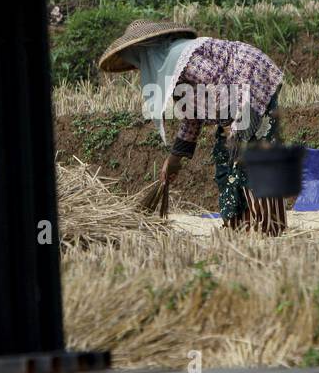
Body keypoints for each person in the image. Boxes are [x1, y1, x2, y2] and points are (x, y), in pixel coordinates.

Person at [98, 19, 288, 235]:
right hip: (233, 95)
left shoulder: (183, 57)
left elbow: (221, 83)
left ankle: (268, 228)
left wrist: (235, 128)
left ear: (146, 52)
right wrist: (174, 159)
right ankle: (241, 227)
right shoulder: (173, 72)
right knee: (227, 160)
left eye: (138, 59)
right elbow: (192, 116)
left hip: (252, 81)